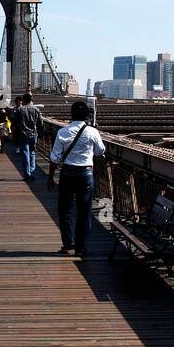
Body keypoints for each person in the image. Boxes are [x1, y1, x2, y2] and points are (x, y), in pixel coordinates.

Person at [47, 99, 106, 257]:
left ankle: (68, 244)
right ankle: (81, 248)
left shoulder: (62, 132)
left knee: (65, 210)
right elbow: (100, 152)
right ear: (87, 116)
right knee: (84, 212)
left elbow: (55, 158)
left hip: (67, 173)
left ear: (71, 115)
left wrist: (50, 178)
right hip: (86, 174)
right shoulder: (92, 131)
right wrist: (96, 131)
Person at [12, 92, 44, 182]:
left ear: (24, 100)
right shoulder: (36, 109)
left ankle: (27, 175)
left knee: (25, 154)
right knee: (32, 153)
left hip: (23, 135)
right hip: (34, 134)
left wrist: (14, 134)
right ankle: (32, 171)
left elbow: (14, 123)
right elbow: (40, 123)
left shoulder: (20, 110)